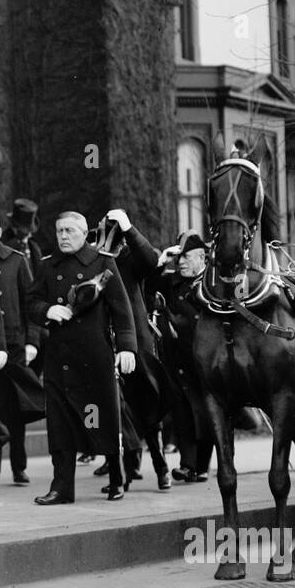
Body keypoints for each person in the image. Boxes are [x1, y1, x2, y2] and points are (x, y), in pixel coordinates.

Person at [28, 211, 136, 504]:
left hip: (95, 357)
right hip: (59, 359)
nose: (63, 236)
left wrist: (127, 347)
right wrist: (47, 310)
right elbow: (31, 302)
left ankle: (116, 477)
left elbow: (121, 310)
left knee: (104, 420)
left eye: (70, 231)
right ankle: (61, 487)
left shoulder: (102, 262)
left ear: (83, 232)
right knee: (60, 426)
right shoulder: (48, 265)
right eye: (59, 230)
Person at [98, 208, 171, 490]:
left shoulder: (130, 259)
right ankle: (126, 471)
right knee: (118, 408)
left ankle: (160, 464)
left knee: (147, 406)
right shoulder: (97, 259)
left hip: (137, 343)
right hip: (107, 341)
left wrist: (130, 228)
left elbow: (151, 261)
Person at [0, 207, 42, 485]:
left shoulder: (15, 260)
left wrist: (32, 341)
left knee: (16, 408)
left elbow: (32, 303)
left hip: (14, 343)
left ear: (0, 232)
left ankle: (19, 467)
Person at [152, 231, 213, 482]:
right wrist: (161, 262)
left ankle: (201, 466)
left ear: (202, 257)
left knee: (207, 414)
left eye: (186, 257)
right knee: (183, 413)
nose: (181, 263)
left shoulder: (214, 284)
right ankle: (188, 465)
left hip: (208, 362)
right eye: (179, 259)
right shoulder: (172, 282)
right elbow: (148, 285)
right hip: (178, 361)